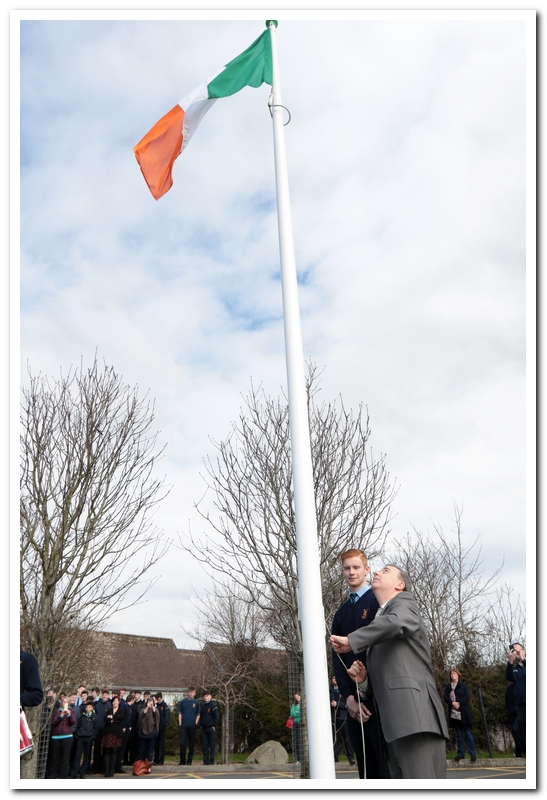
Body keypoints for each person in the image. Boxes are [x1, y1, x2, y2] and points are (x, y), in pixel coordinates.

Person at [331, 564, 449, 779]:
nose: (377, 572)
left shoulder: (404, 603)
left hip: (414, 722)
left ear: (400, 584)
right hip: (392, 729)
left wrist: (352, 640)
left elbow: (396, 623)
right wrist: (364, 681)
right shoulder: (381, 620)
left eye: (385, 571)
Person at [330, 549, 390, 779]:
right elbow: (337, 659)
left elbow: (383, 647)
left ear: (366, 570)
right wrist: (348, 698)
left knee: (384, 765)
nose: (351, 572)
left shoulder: (376, 602)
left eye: (356, 567)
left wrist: (367, 690)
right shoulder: (341, 613)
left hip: (377, 699)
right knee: (364, 769)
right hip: (353, 705)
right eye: (347, 568)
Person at [443, 668, 477, 763]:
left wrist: (458, 703)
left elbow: (467, 696)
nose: (453, 675)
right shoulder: (448, 687)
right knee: (458, 734)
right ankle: (461, 754)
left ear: (458, 675)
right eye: (451, 674)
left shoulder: (463, 686)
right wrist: (452, 703)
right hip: (454, 713)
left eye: (454, 673)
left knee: (468, 733)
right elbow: (445, 697)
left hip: (464, 712)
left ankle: (472, 754)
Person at [48, 696, 76, 778]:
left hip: (67, 736)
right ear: (61, 703)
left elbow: (73, 722)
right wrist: (61, 715)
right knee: (55, 758)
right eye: (64, 702)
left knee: (65, 758)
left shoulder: (71, 711)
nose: (65, 703)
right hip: (56, 737)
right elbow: (54, 723)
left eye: (66, 702)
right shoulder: (57, 711)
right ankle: (53, 775)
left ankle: (63, 776)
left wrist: (69, 714)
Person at [330, 675, 355, 765]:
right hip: (334, 718)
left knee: (346, 738)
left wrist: (337, 704)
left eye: (336, 678)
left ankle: (351, 757)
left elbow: (346, 704)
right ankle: (335, 758)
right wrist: (331, 704)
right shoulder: (329, 690)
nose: (335, 680)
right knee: (334, 739)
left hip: (343, 717)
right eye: (333, 678)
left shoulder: (343, 690)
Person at [506, 643, 526, 756]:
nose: (516, 653)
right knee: (517, 729)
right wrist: (510, 661)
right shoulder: (515, 669)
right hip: (521, 704)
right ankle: (523, 751)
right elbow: (509, 677)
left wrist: (524, 660)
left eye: (518, 650)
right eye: (514, 651)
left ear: (524, 651)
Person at [70, 699, 99, 778]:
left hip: (89, 738)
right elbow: (78, 726)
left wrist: (92, 736)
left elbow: (96, 728)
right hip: (81, 737)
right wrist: (78, 734)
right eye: (87, 707)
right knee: (78, 755)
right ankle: (75, 772)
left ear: (92, 708)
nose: (88, 709)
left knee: (86, 756)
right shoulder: (82, 716)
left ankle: (83, 772)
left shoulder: (94, 717)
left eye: (89, 707)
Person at [102, 694, 125, 777]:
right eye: (113, 701)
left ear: (119, 702)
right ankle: (106, 771)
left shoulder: (121, 710)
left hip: (116, 733)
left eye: (116, 701)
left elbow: (121, 717)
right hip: (108, 733)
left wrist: (112, 717)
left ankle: (112, 771)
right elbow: (105, 719)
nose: (115, 702)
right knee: (106, 752)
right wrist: (114, 719)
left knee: (114, 752)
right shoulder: (108, 710)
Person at [178, 687, 200, 765]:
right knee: (182, 743)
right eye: (190, 692)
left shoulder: (196, 703)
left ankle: (189, 760)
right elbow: (180, 713)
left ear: (195, 693)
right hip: (184, 726)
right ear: (188, 693)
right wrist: (180, 723)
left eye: (193, 692)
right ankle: (182, 760)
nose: (191, 694)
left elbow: (198, 714)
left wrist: (195, 723)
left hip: (192, 726)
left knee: (191, 743)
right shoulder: (183, 702)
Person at [137, 697, 160, 763]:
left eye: (151, 702)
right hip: (143, 732)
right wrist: (147, 707)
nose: (150, 703)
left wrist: (152, 707)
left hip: (152, 732)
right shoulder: (143, 710)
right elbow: (142, 715)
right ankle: (139, 763)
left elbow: (157, 715)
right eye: (149, 702)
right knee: (141, 749)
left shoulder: (155, 710)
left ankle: (149, 764)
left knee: (150, 750)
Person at [505, 683, 525, 758]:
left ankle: (524, 750)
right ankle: (518, 752)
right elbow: (507, 701)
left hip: (520, 712)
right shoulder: (508, 688)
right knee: (515, 733)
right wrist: (509, 711)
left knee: (516, 730)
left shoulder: (523, 686)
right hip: (512, 713)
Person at [200, 692, 219, 765]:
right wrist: (201, 725)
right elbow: (201, 716)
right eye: (205, 696)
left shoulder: (213, 706)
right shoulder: (203, 707)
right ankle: (205, 761)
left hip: (211, 728)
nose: (206, 697)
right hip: (204, 729)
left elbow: (216, 717)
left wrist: (213, 725)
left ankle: (211, 761)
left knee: (212, 745)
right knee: (205, 745)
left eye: (207, 696)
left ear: (210, 696)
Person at [153, 692, 171, 765]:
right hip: (156, 727)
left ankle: (161, 759)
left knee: (161, 744)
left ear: (160, 698)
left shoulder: (164, 706)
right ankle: (156, 759)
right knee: (156, 744)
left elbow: (166, 717)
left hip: (162, 727)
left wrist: (164, 725)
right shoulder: (156, 705)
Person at [289, 693, 303, 763]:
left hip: (302, 724)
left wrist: (296, 712)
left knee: (303, 741)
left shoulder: (303, 705)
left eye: (298, 696)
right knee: (297, 742)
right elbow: (292, 714)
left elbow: (302, 713)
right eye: (295, 697)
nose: (297, 698)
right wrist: (297, 713)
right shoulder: (293, 705)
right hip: (295, 724)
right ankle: (298, 759)